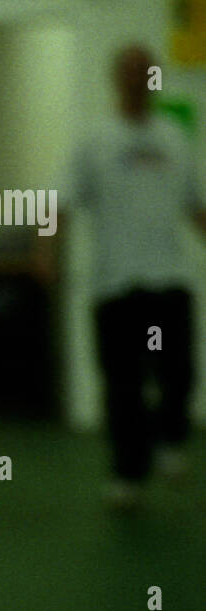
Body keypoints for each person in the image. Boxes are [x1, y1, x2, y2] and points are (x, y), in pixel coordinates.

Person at [61, 45, 206, 511]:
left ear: (156, 79)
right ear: (115, 79)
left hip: (170, 280)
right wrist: (47, 252)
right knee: (121, 383)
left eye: (147, 72)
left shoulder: (175, 140)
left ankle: (169, 443)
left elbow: (197, 207)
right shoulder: (94, 142)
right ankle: (127, 474)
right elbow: (60, 204)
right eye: (130, 72)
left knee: (178, 373)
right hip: (115, 287)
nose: (139, 79)